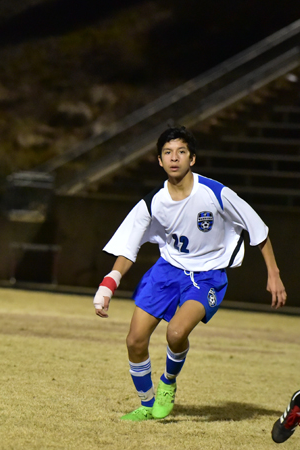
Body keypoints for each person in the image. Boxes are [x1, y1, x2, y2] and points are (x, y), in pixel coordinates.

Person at [93, 126, 287, 421]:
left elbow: (258, 229)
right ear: (159, 160)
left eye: (181, 152)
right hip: (167, 272)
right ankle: (147, 407)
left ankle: (168, 382)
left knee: (176, 332)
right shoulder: (153, 202)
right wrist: (108, 285)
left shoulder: (215, 193)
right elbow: (127, 247)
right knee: (134, 341)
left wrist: (273, 273)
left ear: (192, 159)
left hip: (208, 275)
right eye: (167, 153)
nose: (174, 158)